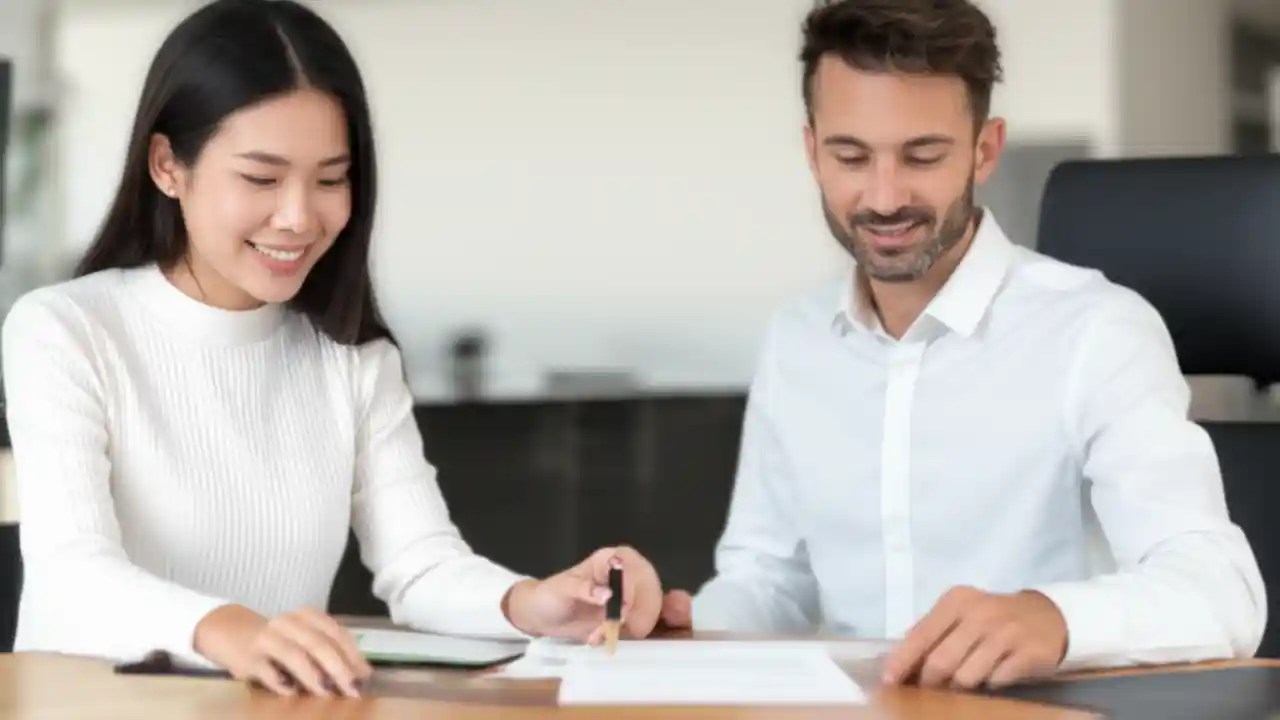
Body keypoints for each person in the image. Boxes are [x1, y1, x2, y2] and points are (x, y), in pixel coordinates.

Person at [1, 0, 662, 698]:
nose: (298, 217)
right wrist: (234, 630)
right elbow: (73, 574)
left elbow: (422, 567)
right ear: (168, 165)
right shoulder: (64, 328)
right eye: (261, 178)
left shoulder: (349, 354)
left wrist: (533, 603)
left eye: (330, 179)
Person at [659, 0, 1265, 690]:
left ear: (984, 149)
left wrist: (1054, 619)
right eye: (851, 156)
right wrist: (685, 631)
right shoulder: (796, 340)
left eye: (922, 155)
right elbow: (768, 582)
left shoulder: (1099, 332)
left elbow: (1221, 595)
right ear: (812, 151)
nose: (884, 197)